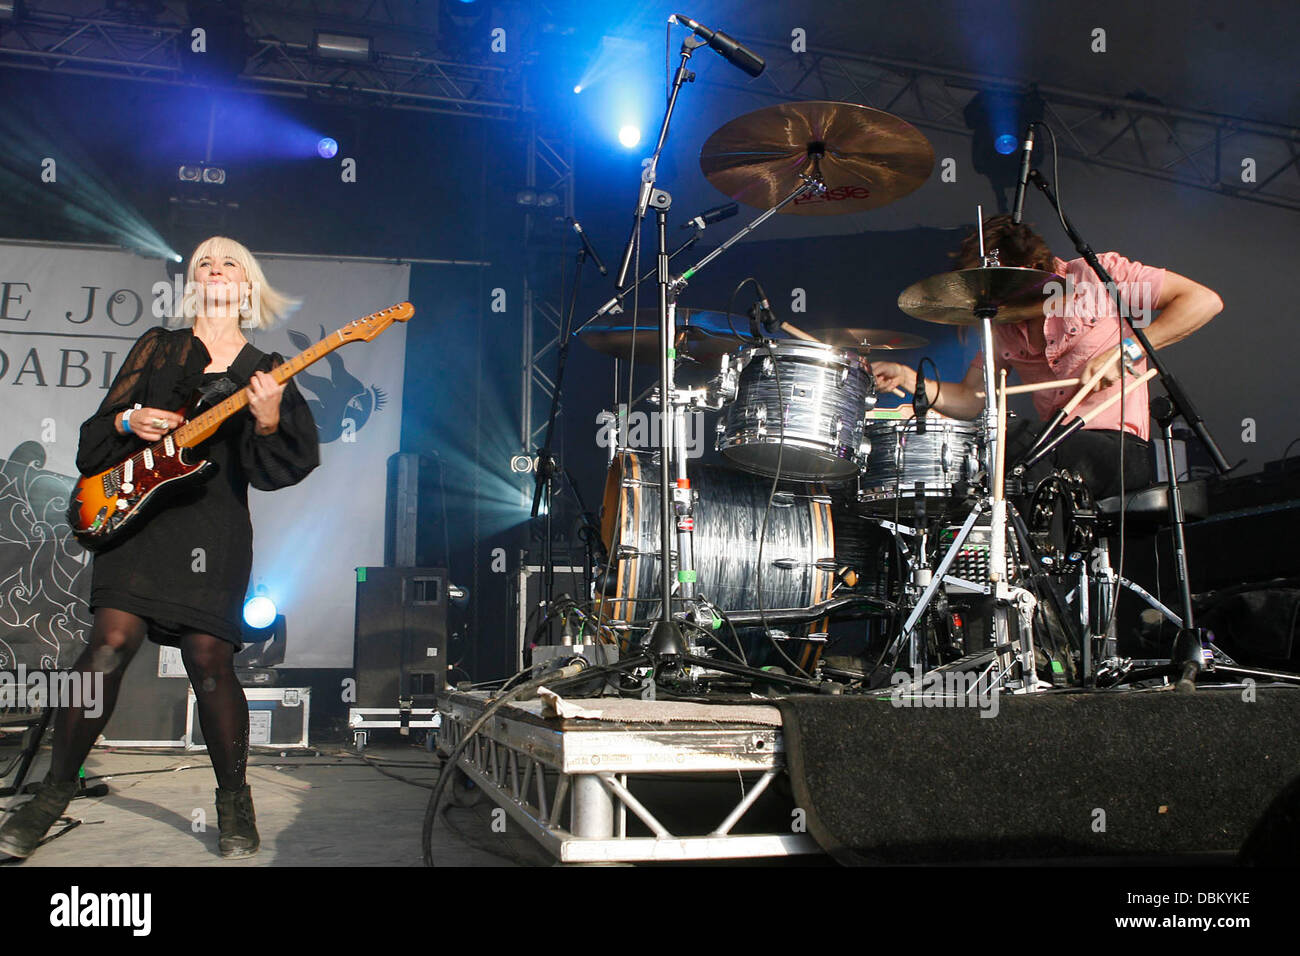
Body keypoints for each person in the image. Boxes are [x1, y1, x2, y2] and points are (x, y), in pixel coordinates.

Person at [0, 237, 320, 861]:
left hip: (214, 526)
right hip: (139, 523)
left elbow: (279, 467)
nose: (215, 267)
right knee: (109, 643)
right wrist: (128, 422)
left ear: (248, 283)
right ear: (192, 282)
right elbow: (94, 442)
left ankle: (234, 805)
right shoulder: (159, 346)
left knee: (209, 660)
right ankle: (51, 794)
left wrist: (268, 419)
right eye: (204, 261)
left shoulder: (266, 367)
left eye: (229, 260)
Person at [870, 215, 1223, 500]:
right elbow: (971, 398)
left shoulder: (1099, 277)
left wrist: (1127, 351)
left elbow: (1203, 301)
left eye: (1007, 289)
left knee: (1012, 442)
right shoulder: (1001, 324)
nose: (1002, 304)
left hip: (1117, 449)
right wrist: (908, 378)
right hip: (1049, 449)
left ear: (1036, 270)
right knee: (984, 453)